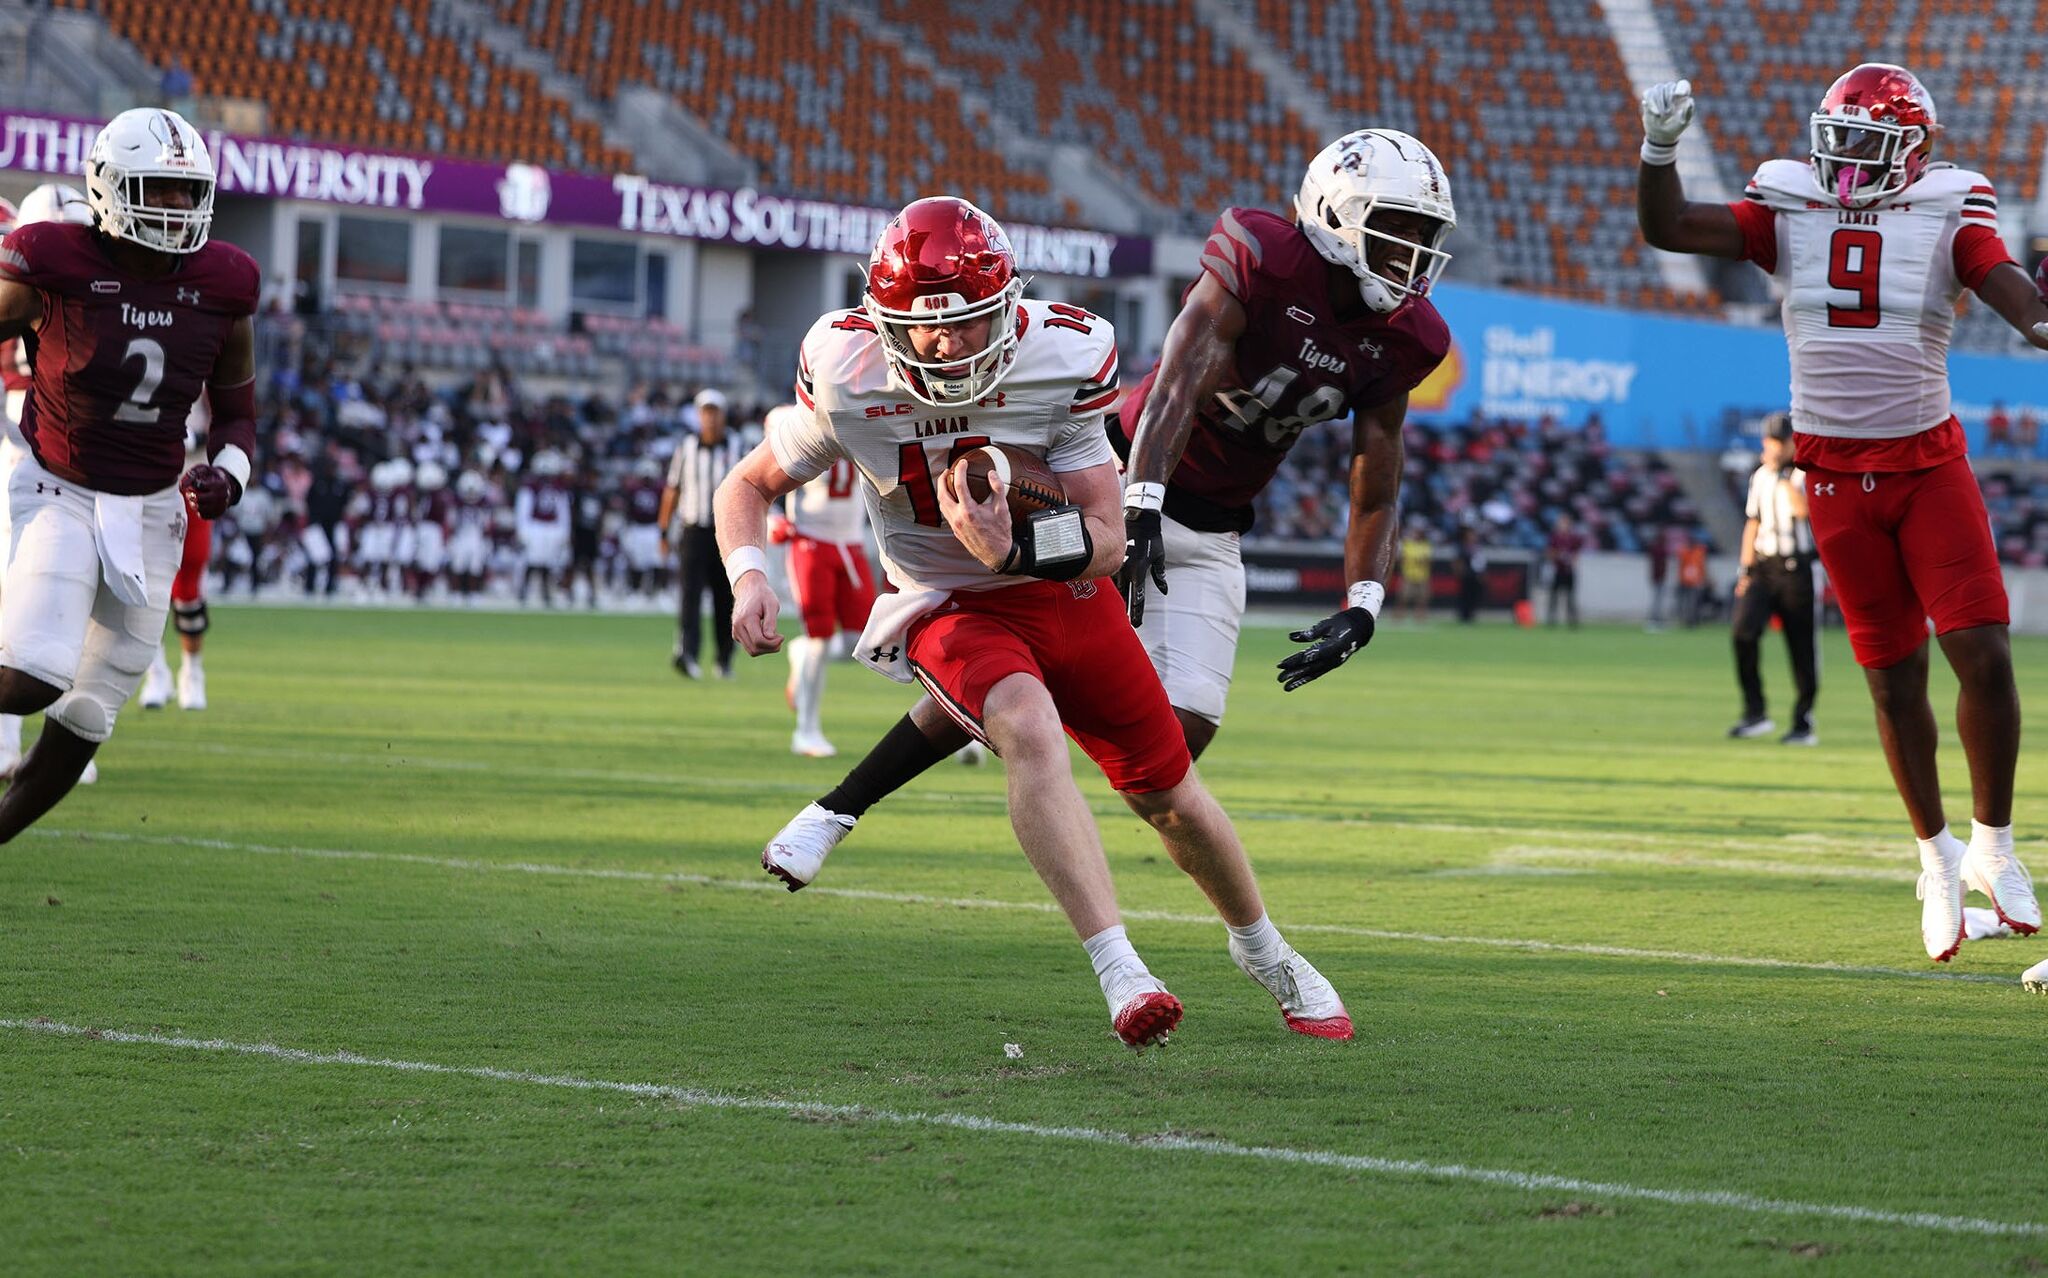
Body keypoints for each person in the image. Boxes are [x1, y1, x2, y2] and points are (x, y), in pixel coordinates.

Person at [716, 196, 1352, 1048]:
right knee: (1024, 723)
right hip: (947, 603)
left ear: (1009, 308)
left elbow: (1107, 541)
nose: (945, 345)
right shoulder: (847, 371)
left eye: (968, 324)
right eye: (923, 327)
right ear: (880, 318)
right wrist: (750, 576)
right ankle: (1122, 971)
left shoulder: (1062, 355)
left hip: (1060, 594)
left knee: (1171, 796)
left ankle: (1265, 951)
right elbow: (748, 485)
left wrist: (1015, 549)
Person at [763, 129, 1454, 885]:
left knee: (1175, 744)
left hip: (1216, 526)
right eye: (1398, 231)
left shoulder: (1408, 336)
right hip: (1113, 480)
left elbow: (1377, 479)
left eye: (1424, 237)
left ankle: (1010, 752)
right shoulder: (1264, 253)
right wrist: (1140, 505)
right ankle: (841, 806)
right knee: (1018, 677)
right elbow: (1179, 377)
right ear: (1335, 214)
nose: (1411, 254)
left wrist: (1363, 603)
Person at [1637, 64, 2046, 961]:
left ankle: (1995, 846)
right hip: (1831, 473)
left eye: (1869, 140)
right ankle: (1934, 860)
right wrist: (1660, 148)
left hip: (1927, 463)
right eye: (1840, 135)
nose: (1849, 156)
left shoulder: (1951, 204)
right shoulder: (1788, 202)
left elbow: (2013, 293)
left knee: (1981, 649)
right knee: (1892, 680)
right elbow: (1669, 226)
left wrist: (2040, 315)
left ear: (1913, 151)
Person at [0, 107, 259, 840]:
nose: (178, 208)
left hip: (151, 507)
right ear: (111, 187)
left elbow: (239, 415)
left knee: (88, 712)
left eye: (188, 192)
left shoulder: (226, 281)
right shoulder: (54, 258)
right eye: (159, 189)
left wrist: (229, 475)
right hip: (59, 484)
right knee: (31, 678)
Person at [0, 182, 95, 778]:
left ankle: (54, 744)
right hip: (28, 447)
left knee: (70, 604)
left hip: (63, 451)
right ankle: (23, 744)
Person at [767, 412, 876, 758]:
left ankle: (801, 655)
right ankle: (806, 730)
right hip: (811, 542)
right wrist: (774, 518)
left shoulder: (868, 416)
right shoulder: (792, 420)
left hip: (851, 544)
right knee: (819, 640)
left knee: (860, 643)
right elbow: (763, 474)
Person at [1727, 413, 1818, 745]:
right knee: (1743, 632)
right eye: (1769, 442)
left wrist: (1783, 476)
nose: (1772, 448)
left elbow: (1803, 511)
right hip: (1764, 567)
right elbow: (1753, 522)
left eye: (1778, 442)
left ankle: (1803, 721)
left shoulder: (1803, 474)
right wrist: (1746, 569)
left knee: (1801, 647)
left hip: (1796, 568)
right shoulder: (1760, 476)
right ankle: (1755, 712)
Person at [661, 388, 741, 678]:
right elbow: (672, 490)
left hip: (727, 532)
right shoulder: (686, 448)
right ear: (698, 415)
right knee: (689, 597)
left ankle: (724, 658)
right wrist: (663, 531)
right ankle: (687, 654)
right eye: (705, 412)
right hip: (693, 531)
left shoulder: (738, 445)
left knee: (725, 599)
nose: (710, 418)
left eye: (715, 411)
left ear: (723, 414)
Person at [513, 450, 570, 607]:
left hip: (551, 527)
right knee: (531, 560)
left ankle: (545, 591)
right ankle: (523, 591)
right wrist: (522, 530)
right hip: (535, 526)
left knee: (548, 562)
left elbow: (563, 511)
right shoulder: (531, 486)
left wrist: (564, 531)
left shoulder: (559, 487)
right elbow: (522, 509)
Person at [1544, 512, 1584, 628]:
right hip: (1557, 570)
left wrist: (1572, 560)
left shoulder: (1574, 538)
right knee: (1554, 596)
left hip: (1568, 570)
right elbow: (1549, 552)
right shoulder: (1554, 537)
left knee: (1570, 597)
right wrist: (1558, 556)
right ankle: (1552, 620)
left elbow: (1577, 554)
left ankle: (1572, 620)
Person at [1398, 521, 1433, 622]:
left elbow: (1427, 560)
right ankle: (1399, 615)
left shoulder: (1425, 545)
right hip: (1409, 575)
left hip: (1422, 576)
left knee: (1422, 598)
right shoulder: (1408, 544)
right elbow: (1402, 558)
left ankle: (1420, 616)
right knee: (1403, 597)